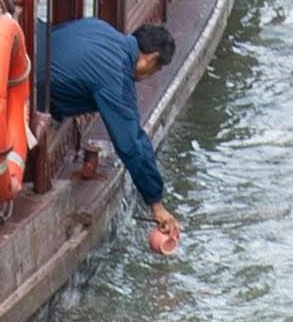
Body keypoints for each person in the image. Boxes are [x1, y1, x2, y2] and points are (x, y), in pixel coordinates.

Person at [32, 15, 182, 253]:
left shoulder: (101, 27)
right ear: (151, 59)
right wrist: (155, 202)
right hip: (28, 94)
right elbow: (130, 143)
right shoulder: (116, 75)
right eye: (155, 69)